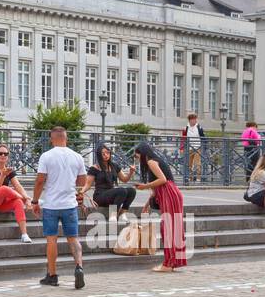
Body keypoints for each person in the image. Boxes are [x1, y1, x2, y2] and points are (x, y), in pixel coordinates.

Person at [31, 127, 87, 289]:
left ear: (51, 139)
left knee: (51, 240)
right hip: (70, 204)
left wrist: (35, 201)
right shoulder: (77, 157)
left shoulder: (46, 156)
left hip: (51, 205)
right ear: (66, 138)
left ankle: (52, 275)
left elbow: (40, 180)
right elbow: (82, 181)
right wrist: (73, 189)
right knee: (73, 238)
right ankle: (79, 266)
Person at [132, 141, 187, 272]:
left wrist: (144, 186)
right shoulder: (155, 160)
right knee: (173, 228)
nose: (138, 159)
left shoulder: (151, 161)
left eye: (138, 156)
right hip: (171, 193)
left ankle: (168, 264)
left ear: (143, 154)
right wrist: (146, 204)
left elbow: (162, 180)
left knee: (168, 229)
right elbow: (159, 185)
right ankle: (173, 262)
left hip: (169, 194)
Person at [0, 144, 34, 243]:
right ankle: (27, 200)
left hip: (1, 203)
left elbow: (18, 186)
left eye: (5, 153)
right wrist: (3, 175)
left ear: (8, 156)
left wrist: (25, 196)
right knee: (4, 189)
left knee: (17, 201)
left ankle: (24, 234)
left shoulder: (9, 170)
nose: (3, 155)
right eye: (0, 153)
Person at [80, 142, 137, 218]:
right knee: (121, 191)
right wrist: (81, 191)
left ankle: (122, 213)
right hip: (100, 196)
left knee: (132, 191)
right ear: (99, 155)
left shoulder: (114, 166)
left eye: (107, 153)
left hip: (111, 194)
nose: (106, 155)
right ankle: (113, 215)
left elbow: (124, 179)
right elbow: (88, 184)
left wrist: (130, 172)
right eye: (103, 154)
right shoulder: (94, 168)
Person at [181, 113, 204, 182]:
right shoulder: (186, 128)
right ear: (189, 120)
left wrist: (204, 146)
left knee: (197, 163)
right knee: (189, 163)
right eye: (193, 119)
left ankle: (198, 178)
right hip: (189, 147)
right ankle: (190, 178)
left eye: (195, 119)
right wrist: (181, 148)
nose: (194, 121)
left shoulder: (199, 127)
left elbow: (203, 137)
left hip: (198, 147)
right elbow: (183, 139)